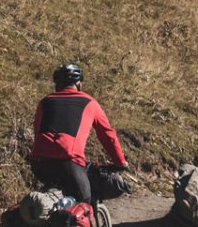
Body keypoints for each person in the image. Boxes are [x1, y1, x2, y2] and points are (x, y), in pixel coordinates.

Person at [28, 63, 128, 205]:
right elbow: (107, 135)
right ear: (79, 84)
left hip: (39, 163)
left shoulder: (45, 102)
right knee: (84, 201)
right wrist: (120, 162)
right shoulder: (89, 102)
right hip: (69, 161)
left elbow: (37, 131)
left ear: (57, 85)